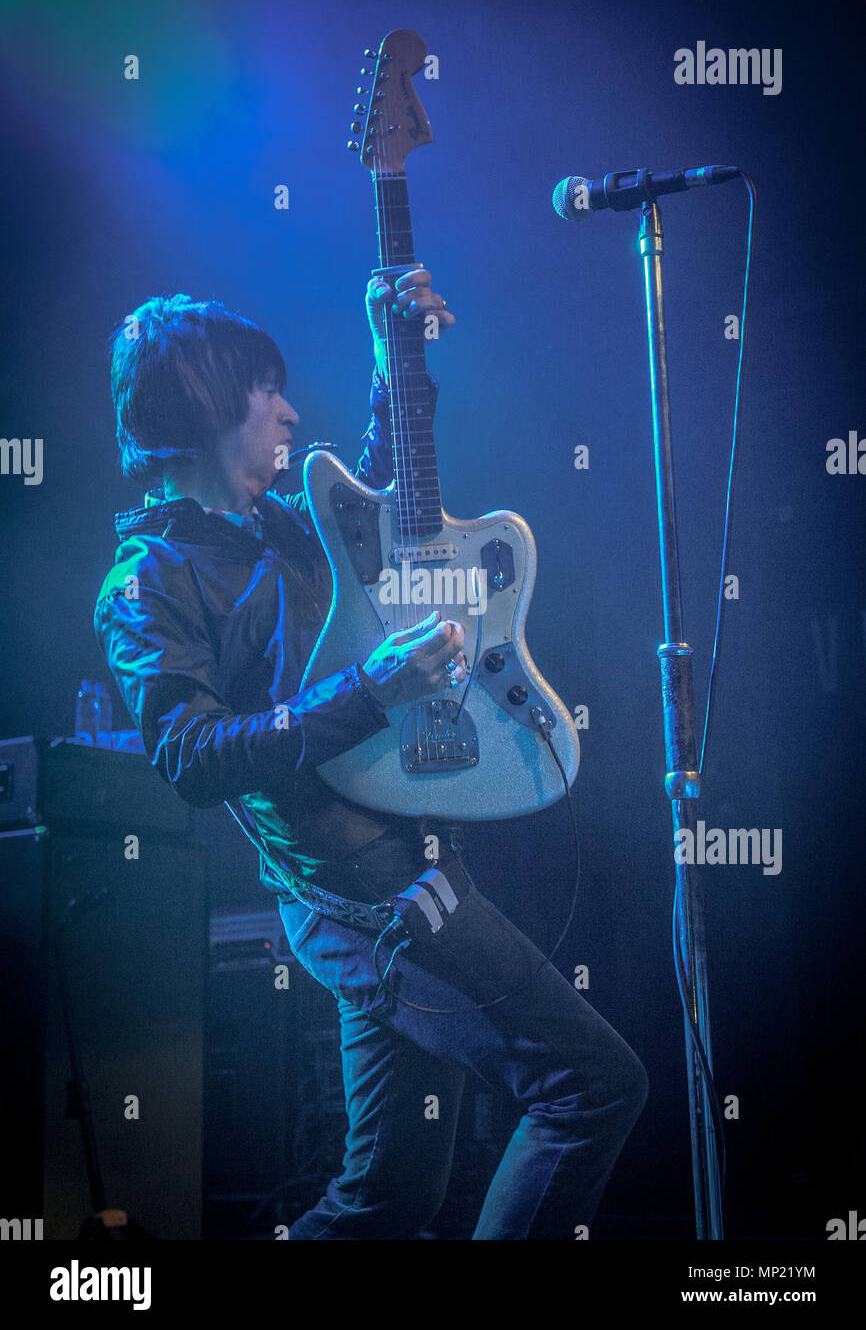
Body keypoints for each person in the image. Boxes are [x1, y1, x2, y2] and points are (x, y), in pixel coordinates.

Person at [95, 269, 648, 1240]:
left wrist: (398, 356)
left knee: (385, 1195)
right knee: (593, 1085)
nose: (287, 412)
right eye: (268, 394)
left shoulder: (272, 522)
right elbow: (190, 757)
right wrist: (369, 691)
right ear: (212, 401)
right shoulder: (149, 582)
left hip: (398, 874)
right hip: (368, 901)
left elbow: (373, 499)